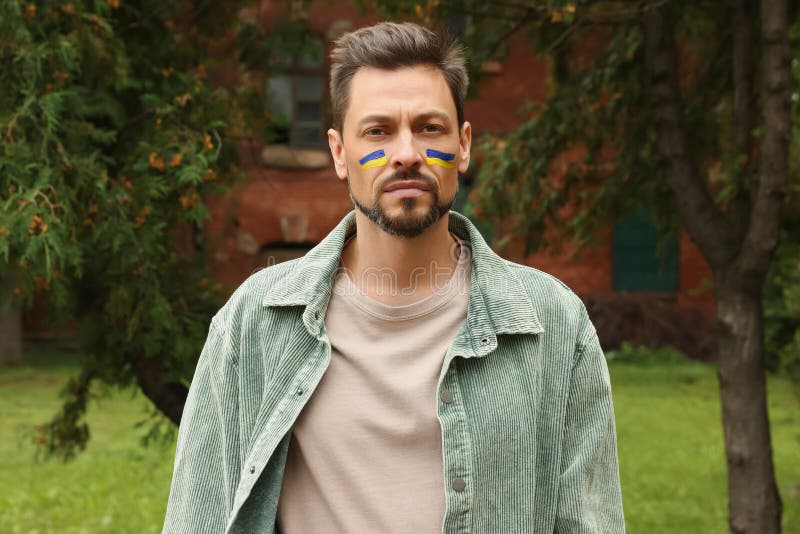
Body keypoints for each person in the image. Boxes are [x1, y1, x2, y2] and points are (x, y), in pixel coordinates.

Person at [163, 21, 624, 534]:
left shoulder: (554, 325)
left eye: (429, 128)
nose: (406, 153)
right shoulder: (255, 323)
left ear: (463, 145)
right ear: (340, 153)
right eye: (378, 131)